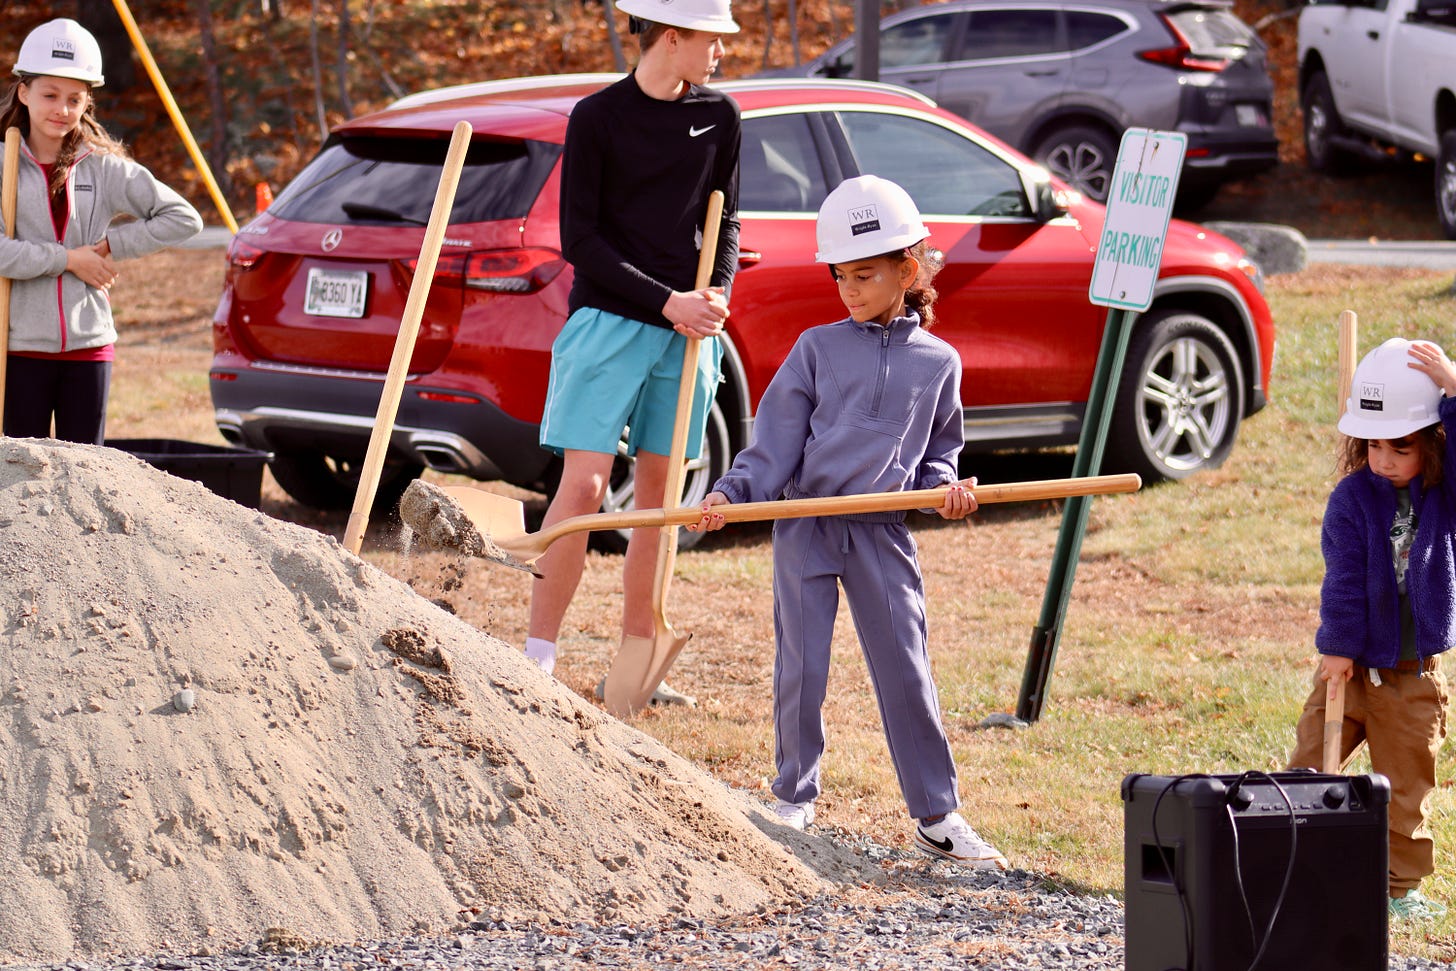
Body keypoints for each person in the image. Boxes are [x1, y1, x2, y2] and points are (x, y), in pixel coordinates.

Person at [686, 174, 1007, 868]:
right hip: (807, 521)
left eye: (864, 275)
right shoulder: (815, 349)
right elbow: (772, 444)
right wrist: (730, 495)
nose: (849, 290)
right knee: (803, 665)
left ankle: (937, 815)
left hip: (881, 532)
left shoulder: (939, 364)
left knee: (907, 668)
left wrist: (946, 491)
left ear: (908, 270)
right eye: (840, 277)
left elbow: (939, 457)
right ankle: (793, 796)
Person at [522, 0, 741, 705]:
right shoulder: (597, 118)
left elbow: (728, 219)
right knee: (584, 487)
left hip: (688, 332)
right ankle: (538, 656)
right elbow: (580, 241)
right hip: (610, 322)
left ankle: (639, 661)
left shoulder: (722, 117)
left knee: (659, 496)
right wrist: (665, 301)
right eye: (712, 39)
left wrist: (719, 293)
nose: (721, 54)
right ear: (670, 38)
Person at [1287, 336, 1456, 921]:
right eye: (1373, 445)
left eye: (1399, 447)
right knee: (1312, 760)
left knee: (1407, 784)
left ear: (1432, 443)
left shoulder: (1444, 494)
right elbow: (1344, 579)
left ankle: (1400, 887)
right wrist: (1336, 648)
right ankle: (1292, 856)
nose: (1383, 458)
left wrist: (1454, 390)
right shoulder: (1351, 499)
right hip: (1351, 666)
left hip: (1412, 675)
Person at [0, 18, 203, 445]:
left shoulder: (104, 167)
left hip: (89, 348)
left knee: (87, 475)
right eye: (50, 94)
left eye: (75, 99)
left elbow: (184, 217)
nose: (62, 109)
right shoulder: (2, 165)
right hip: (17, 348)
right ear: (23, 91)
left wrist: (113, 245)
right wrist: (70, 259)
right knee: (19, 477)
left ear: (88, 101)